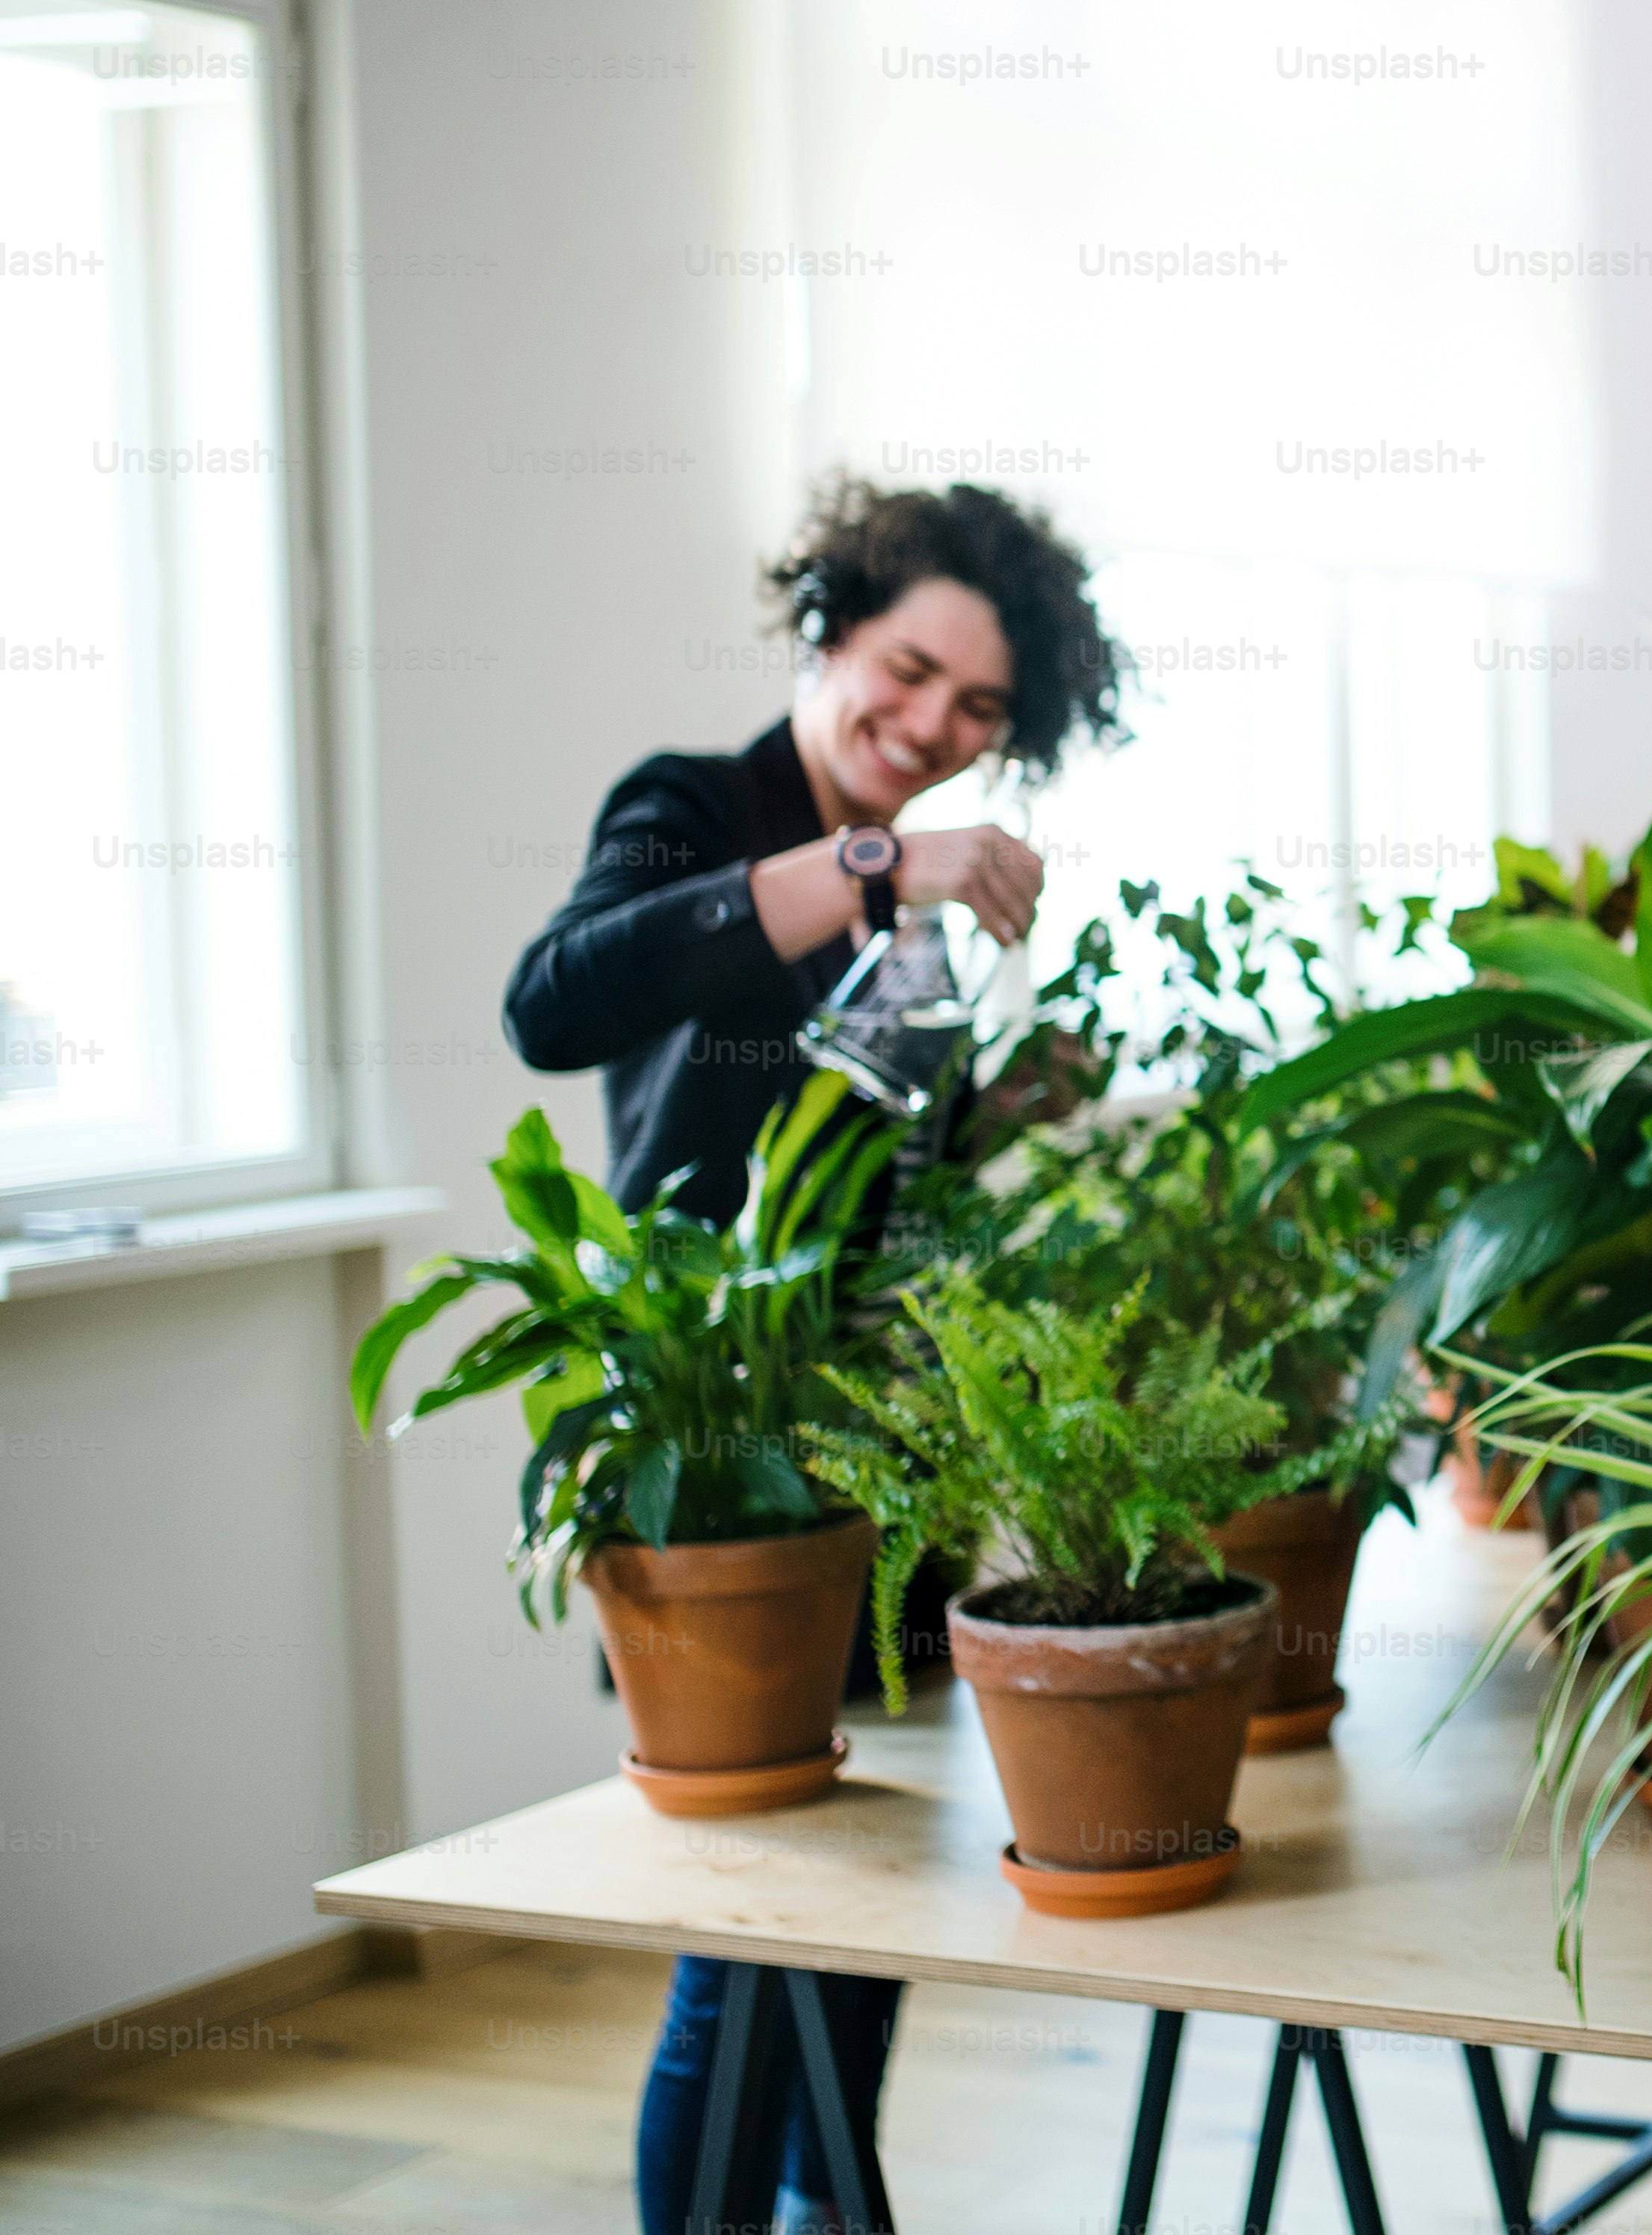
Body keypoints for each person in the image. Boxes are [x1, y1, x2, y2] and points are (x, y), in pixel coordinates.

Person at [502, 476, 1125, 2235]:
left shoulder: (908, 911)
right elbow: (556, 1001)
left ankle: (835, 2209)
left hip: (881, 1440)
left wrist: (1003, 1109)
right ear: (834, 622)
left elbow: (852, 1163)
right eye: (911, 669)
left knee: (864, 1913)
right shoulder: (699, 808)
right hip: (717, 1453)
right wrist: (866, 859)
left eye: (979, 710)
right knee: (755, 1923)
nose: (929, 727)